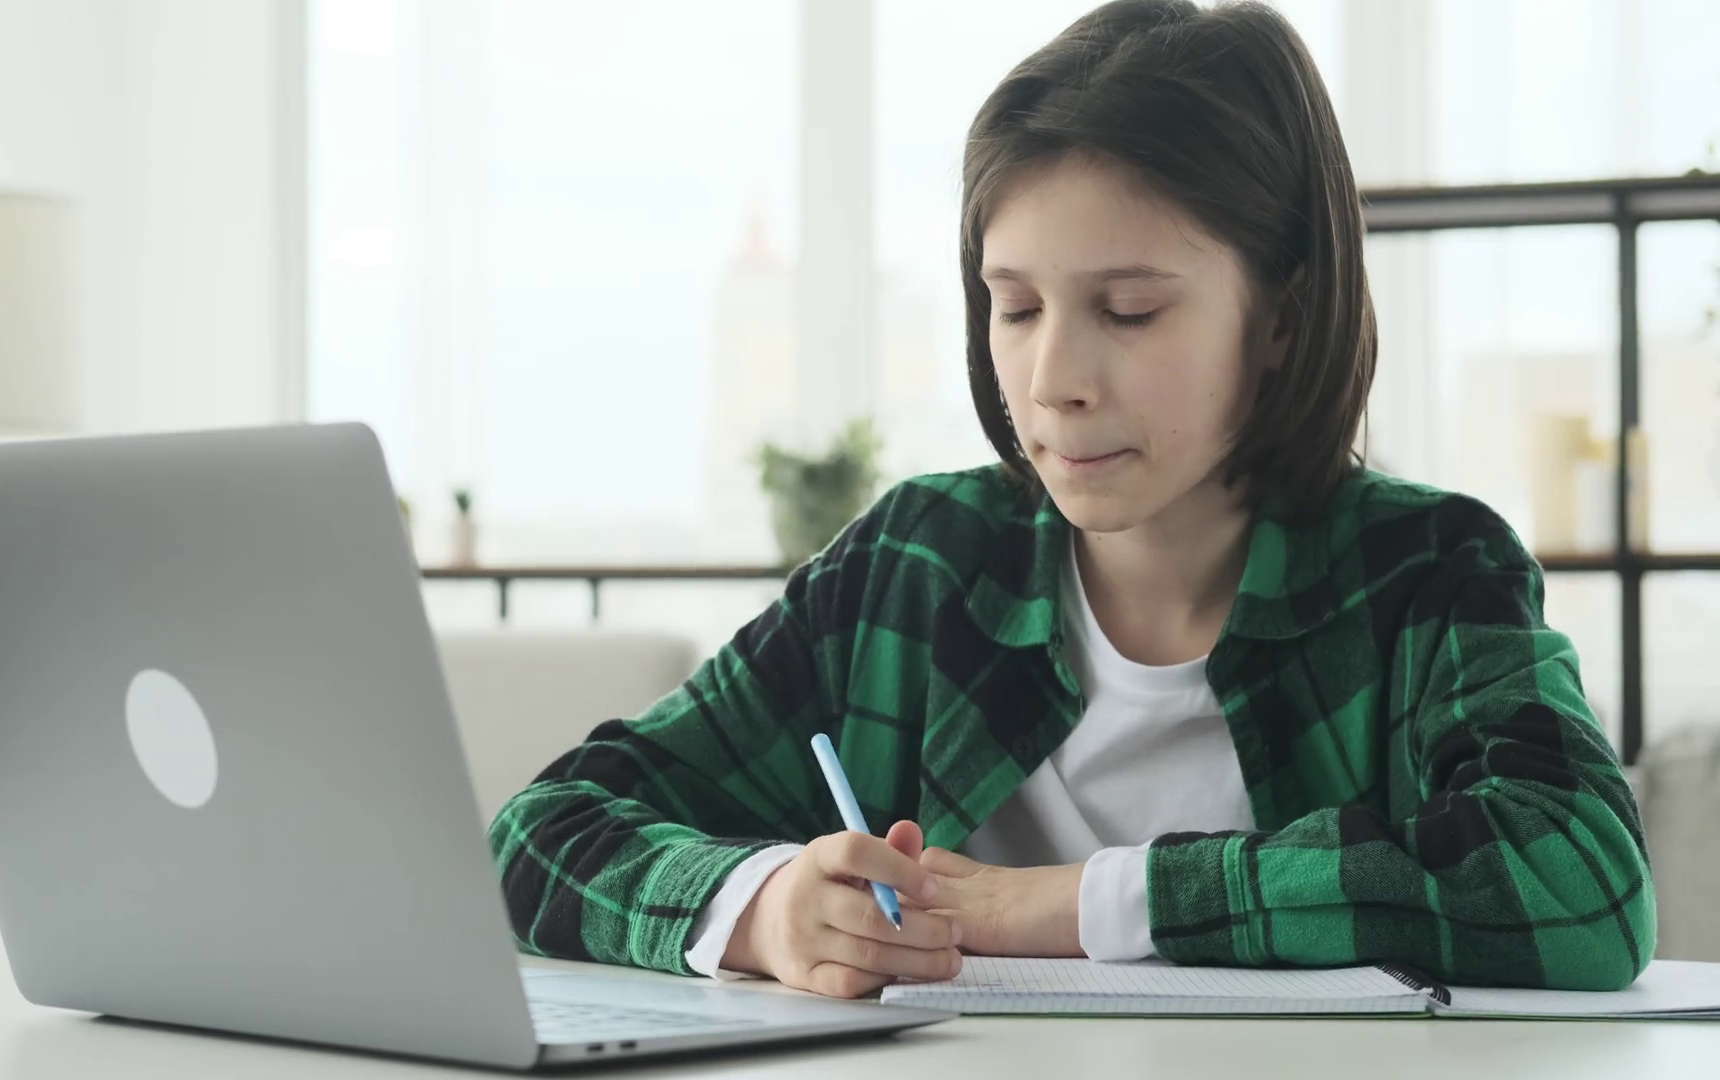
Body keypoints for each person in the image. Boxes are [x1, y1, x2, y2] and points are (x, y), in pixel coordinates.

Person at [488, 0, 1655, 999]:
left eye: (1130, 310)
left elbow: (1578, 883)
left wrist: (1076, 904)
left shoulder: (1431, 570)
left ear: (1285, 317)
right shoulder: (917, 565)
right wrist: (760, 907)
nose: (1054, 383)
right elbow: (540, 832)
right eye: (1017, 306)